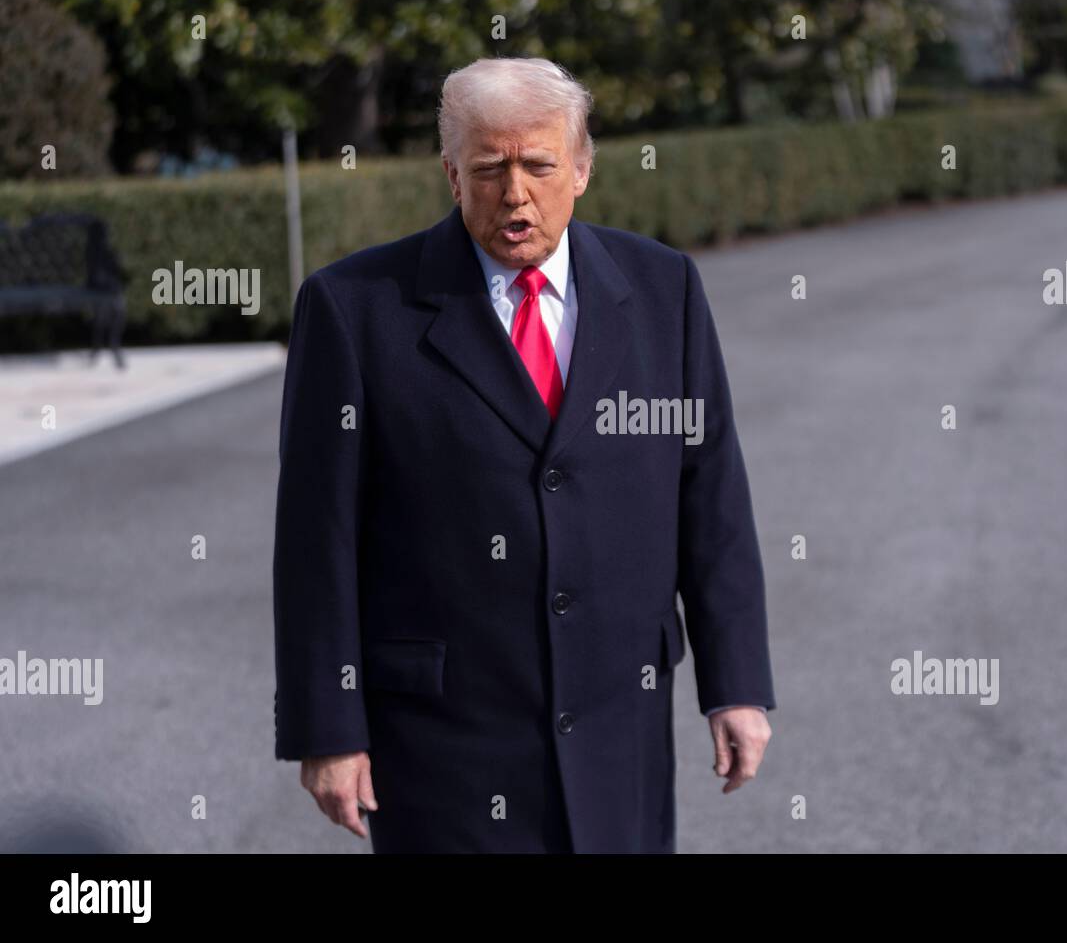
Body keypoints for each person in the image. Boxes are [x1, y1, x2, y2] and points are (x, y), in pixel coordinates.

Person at [273, 56, 776, 853]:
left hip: (620, 723)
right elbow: (316, 539)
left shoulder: (664, 289)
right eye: (488, 169)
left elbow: (710, 495)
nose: (515, 194)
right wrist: (327, 728)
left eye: (539, 165)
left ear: (581, 168)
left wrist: (736, 684)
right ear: (451, 175)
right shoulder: (354, 310)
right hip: (442, 740)